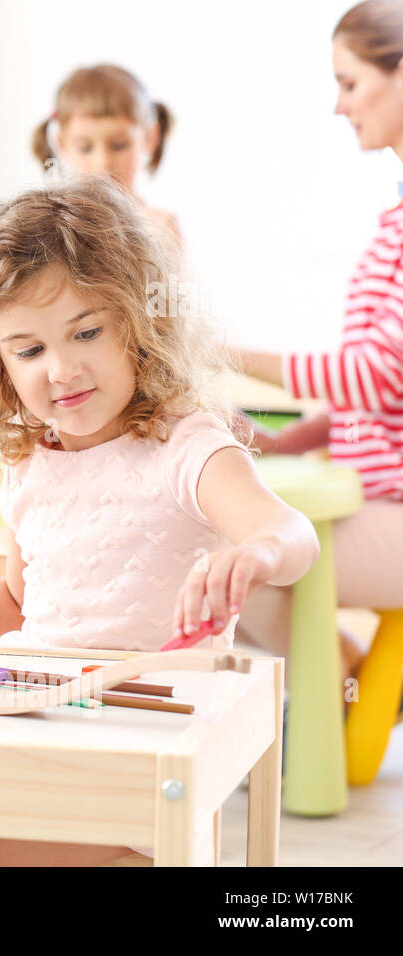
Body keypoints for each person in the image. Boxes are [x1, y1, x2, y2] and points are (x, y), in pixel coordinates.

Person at [0, 176, 320, 866]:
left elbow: (292, 533)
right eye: (30, 350)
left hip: (138, 760)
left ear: (139, 320)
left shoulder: (186, 446)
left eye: (87, 332)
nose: (62, 370)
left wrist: (255, 555)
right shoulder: (29, 462)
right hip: (39, 722)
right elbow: (19, 601)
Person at [231, 0, 403, 677]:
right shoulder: (395, 214)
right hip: (377, 498)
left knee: (223, 539)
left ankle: (340, 676)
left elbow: (382, 373)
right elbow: (382, 396)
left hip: (392, 511)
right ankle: (345, 679)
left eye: (350, 83)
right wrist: (288, 440)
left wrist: (225, 354)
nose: (338, 106)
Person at [33, 63, 181, 247]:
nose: (103, 162)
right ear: (61, 144)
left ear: (150, 138)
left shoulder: (160, 229)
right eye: (85, 148)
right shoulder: (52, 230)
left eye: (119, 146)